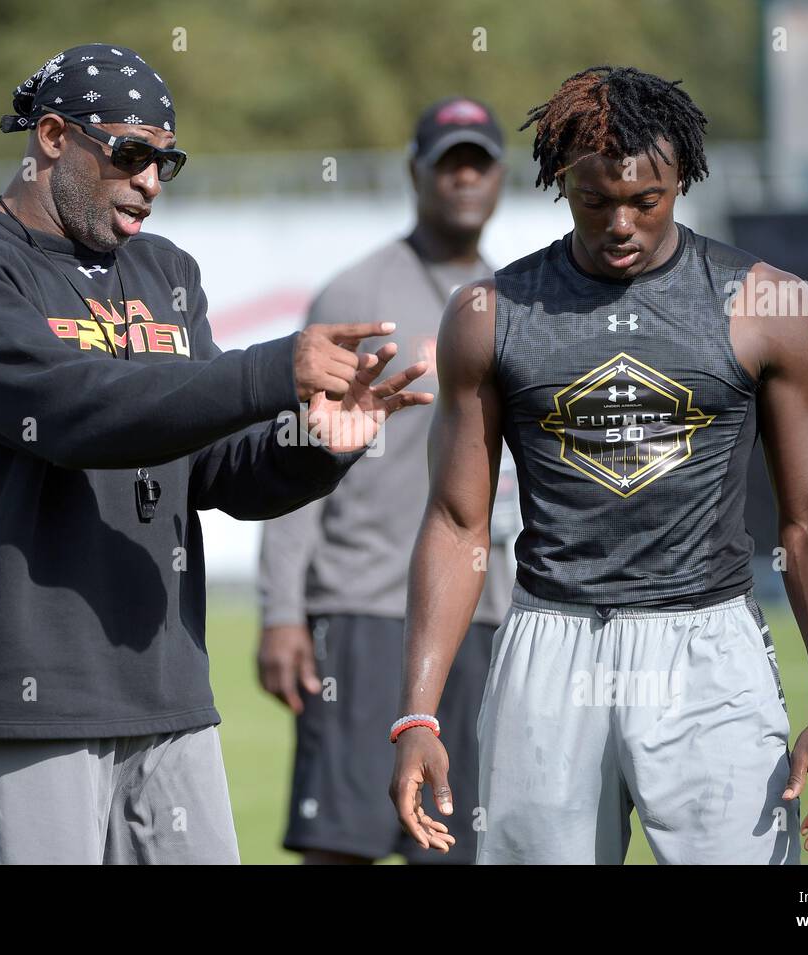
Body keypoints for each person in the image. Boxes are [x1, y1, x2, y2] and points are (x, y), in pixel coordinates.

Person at [0, 43, 432, 865]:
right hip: (25, 703)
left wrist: (316, 445)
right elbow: (73, 409)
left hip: (171, 694)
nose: (151, 179)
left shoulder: (164, 271)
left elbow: (215, 465)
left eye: (166, 160)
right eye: (130, 152)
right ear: (51, 137)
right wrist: (265, 370)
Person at [389, 66, 808, 864]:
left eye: (648, 200)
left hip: (708, 647)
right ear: (561, 183)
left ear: (683, 180)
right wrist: (419, 715)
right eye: (595, 200)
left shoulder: (767, 306)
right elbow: (458, 521)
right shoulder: (489, 313)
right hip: (549, 644)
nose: (621, 224)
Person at [257, 98, 513, 865]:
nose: (464, 177)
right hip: (365, 604)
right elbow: (300, 453)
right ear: (416, 172)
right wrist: (281, 610)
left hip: (481, 609)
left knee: (460, 846)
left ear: (502, 176)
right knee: (343, 840)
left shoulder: (519, 299)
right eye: (448, 162)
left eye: (479, 161)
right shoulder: (356, 294)